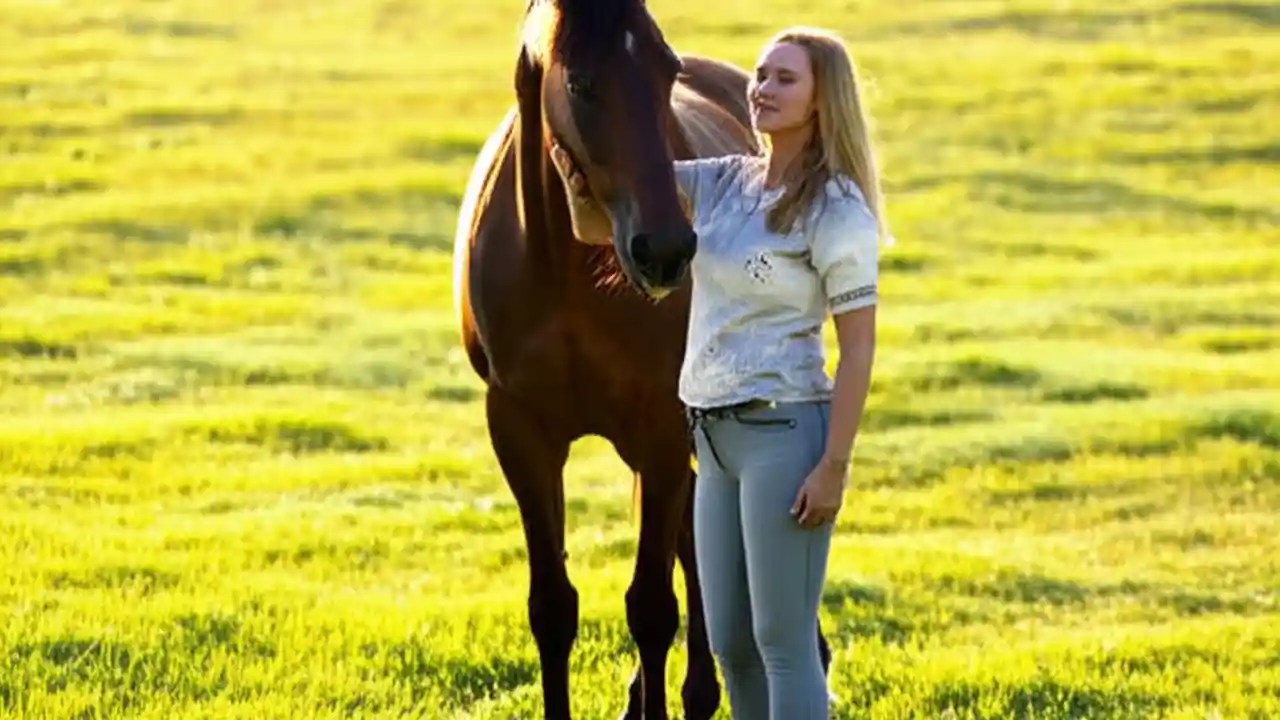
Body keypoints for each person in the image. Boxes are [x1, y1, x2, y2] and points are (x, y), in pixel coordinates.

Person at [553, 26, 886, 720]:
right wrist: (571, 170)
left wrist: (834, 466)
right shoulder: (724, 180)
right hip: (711, 439)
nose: (761, 87)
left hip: (784, 434)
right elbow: (603, 223)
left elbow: (857, 350)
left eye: (784, 78)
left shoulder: (836, 212)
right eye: (761, 74)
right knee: (730, 642)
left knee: (782, 641)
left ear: (825, 100)